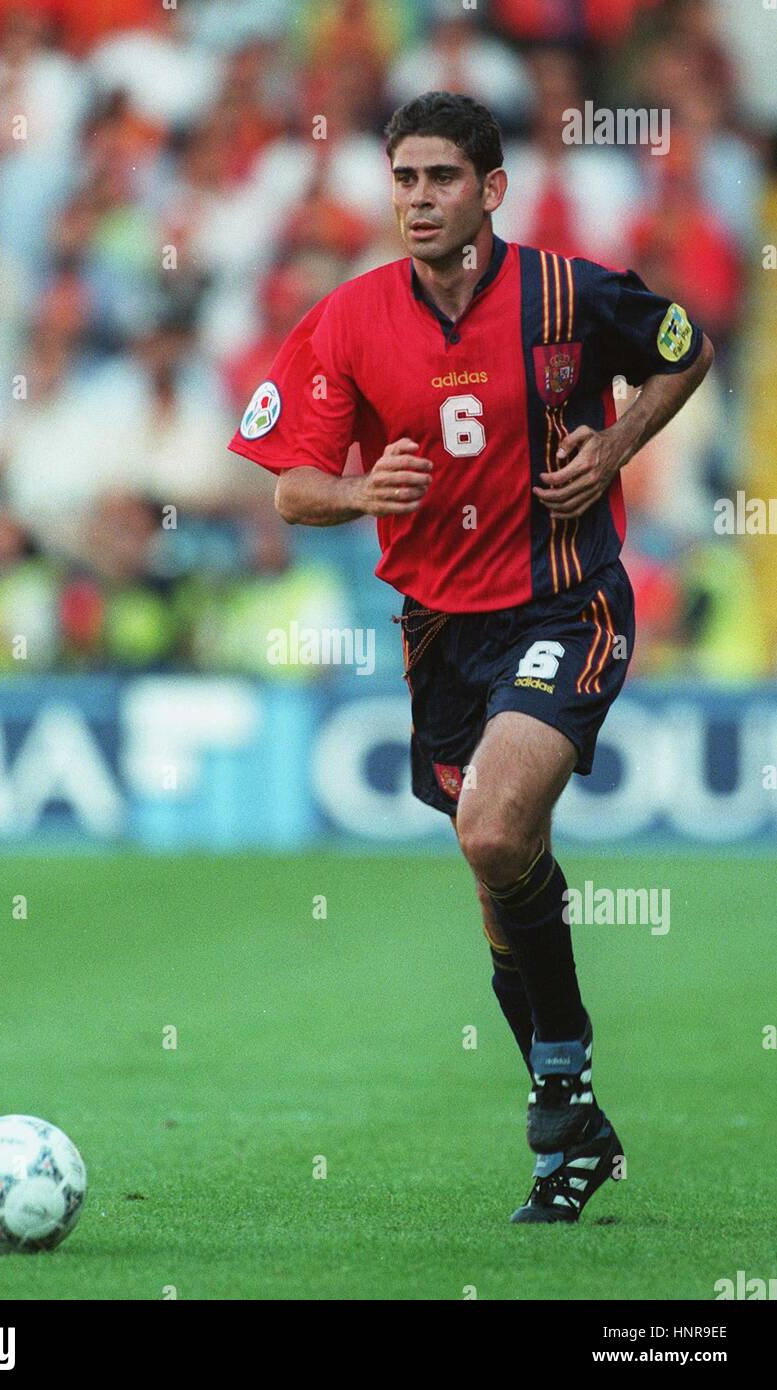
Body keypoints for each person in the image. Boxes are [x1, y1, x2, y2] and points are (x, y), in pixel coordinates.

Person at [229, 92, 713, 1223]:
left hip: (565, 605)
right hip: (441, 635)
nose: (417, 200)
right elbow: (290, 484)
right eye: (402, 179)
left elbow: (685, 349)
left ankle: (560, 1096)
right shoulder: (347, 320)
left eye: (440, 178)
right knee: (500, 870)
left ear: (489, 190)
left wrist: (615, 443)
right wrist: (359, 491)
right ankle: (571, 1119)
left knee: (491, 827)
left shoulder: (565, 293)